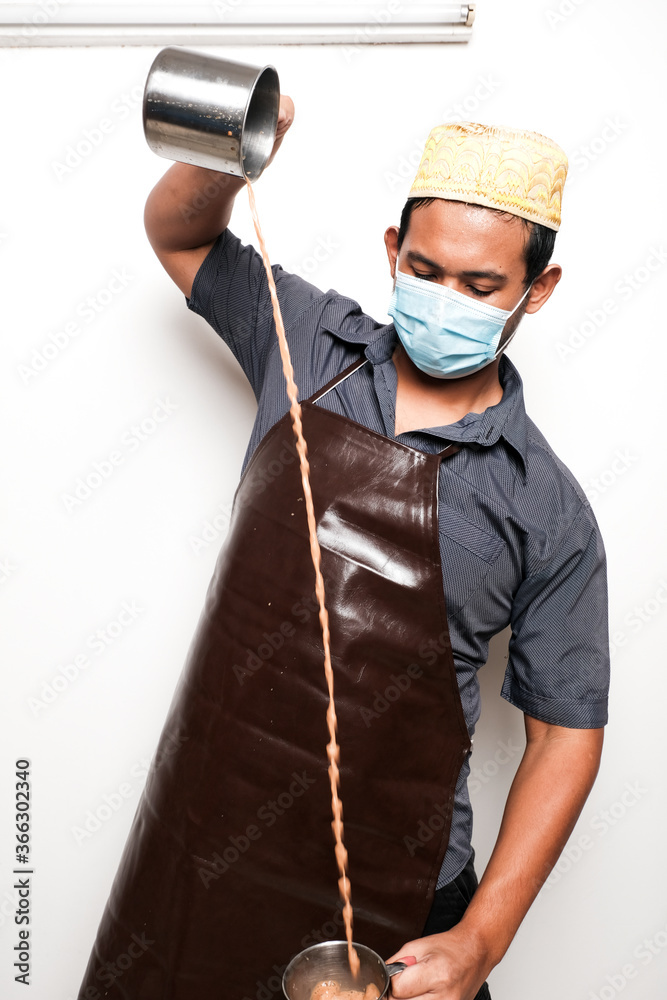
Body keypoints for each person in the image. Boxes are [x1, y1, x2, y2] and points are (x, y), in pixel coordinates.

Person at [77, 106, 609, 1000]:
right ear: (393, 249)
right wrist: (234, 146)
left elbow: (565, 736)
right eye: (424, 270)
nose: (444, 298)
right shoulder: (306, 341)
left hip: (399, 892)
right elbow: (177, 232)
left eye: (480, 286)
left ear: (538, 288)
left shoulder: (545, 508)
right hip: (205, 848)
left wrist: (480, 940)